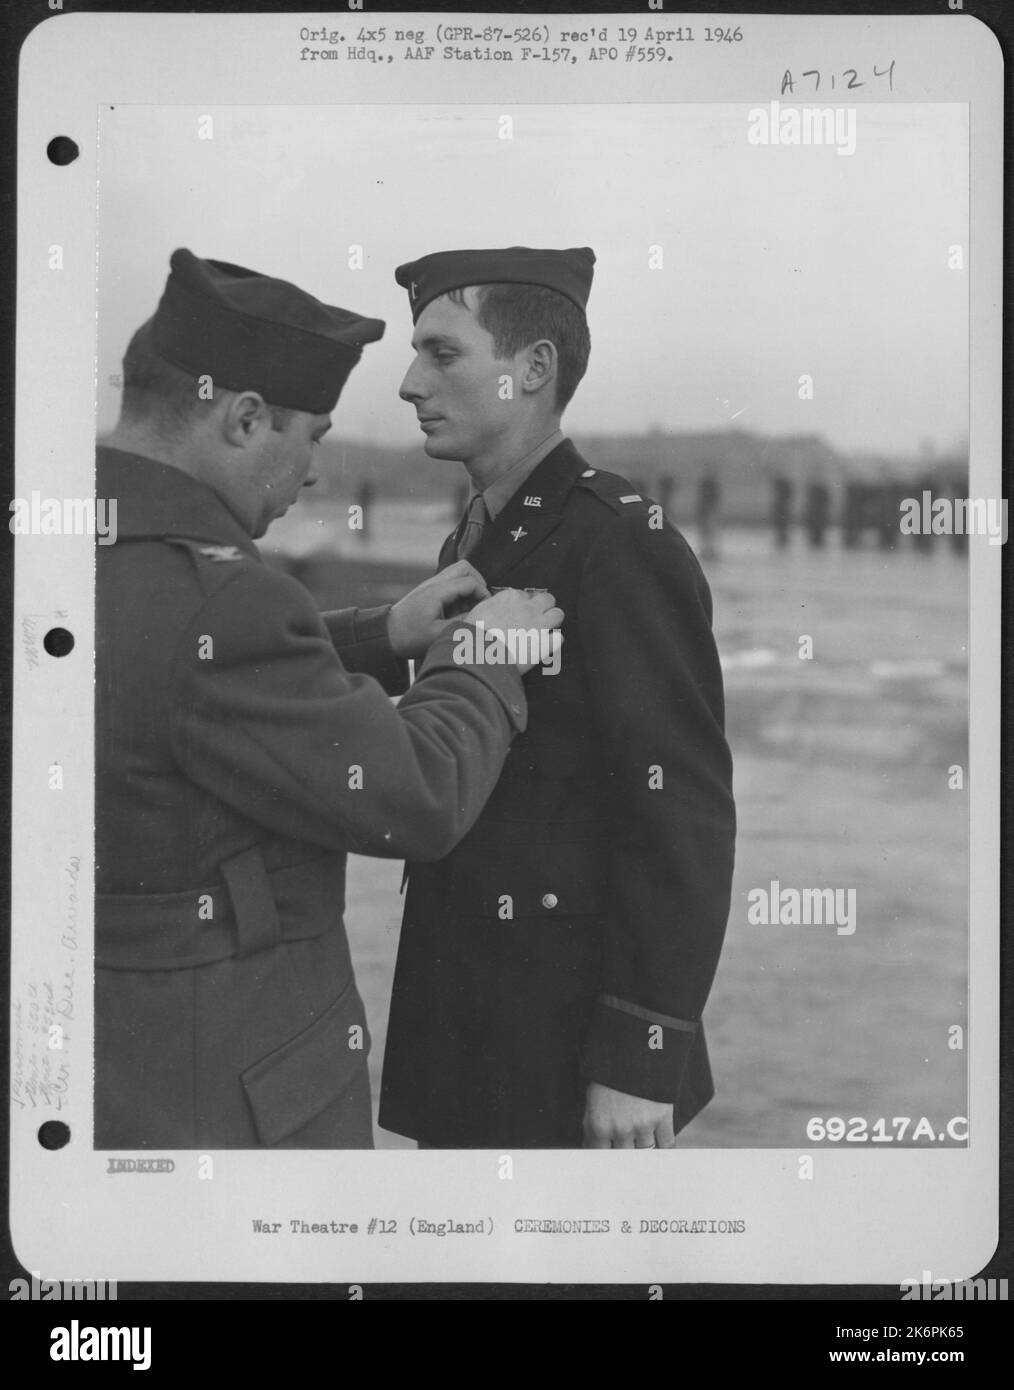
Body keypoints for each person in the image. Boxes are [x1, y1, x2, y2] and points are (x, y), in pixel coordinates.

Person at [95, 248, 562, 1149]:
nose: (310, 474)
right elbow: (417, 794)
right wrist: (485, 654)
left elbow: (182, 678)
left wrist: (378, 636)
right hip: (225, 1087)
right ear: (243, 419)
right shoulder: (224, 597)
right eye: (309, 438)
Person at [379, 246, 736, 1149]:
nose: (410, 382)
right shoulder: (481, 537)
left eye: (443, 353)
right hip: (469, 1016)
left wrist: (637, 1051)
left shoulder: (615, 544)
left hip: (567, 1047)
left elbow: (681, 811)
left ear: (532, 369)